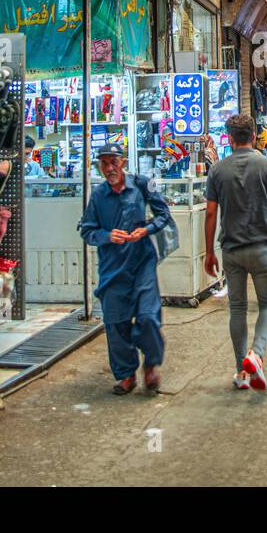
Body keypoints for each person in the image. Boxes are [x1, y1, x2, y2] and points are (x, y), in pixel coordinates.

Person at [205, 114, 267, 391]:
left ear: (229, 139)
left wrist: (209, 252)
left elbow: (210, 213)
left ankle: (241, 372)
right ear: (254, 136)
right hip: (263, 247)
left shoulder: (217, 170)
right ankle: (256, 355)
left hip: (231, 249)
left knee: (238, 309)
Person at [77, 143, 173, 395]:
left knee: (148, 317)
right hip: (112, 267)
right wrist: (107, 235)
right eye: (104, 163)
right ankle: (126, 374)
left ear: (123, 162)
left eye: (114, 162)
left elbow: (164, 214)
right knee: (116, 321)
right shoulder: (98, 196)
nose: (109, 168)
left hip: (142, 262)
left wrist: (147, 229)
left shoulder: (141, 185)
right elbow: (87, 230)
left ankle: (151, 365)